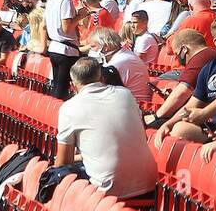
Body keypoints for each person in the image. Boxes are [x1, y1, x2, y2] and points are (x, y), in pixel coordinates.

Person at [55, 57, 157, 199]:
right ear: (102, 77)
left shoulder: (69, 108)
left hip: (107, 191)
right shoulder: (125, 94)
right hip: (149, 181)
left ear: (73, 85)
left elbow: (64, 163)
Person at [154, 16, 216, 143]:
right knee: (177, 126)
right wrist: (168, 123)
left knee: (181, 129)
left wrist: (205, 113)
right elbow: (192, 104)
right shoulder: (208, 69)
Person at [45, 0, 89, 100]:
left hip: (54, 47)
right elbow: (67, 28)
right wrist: (80, 16)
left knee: (57, 87)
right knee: (61, 91)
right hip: (65, 51)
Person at [91, 28, 151, 108]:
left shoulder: (119, 62)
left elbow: (101, 90)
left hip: (134, 106)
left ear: (106, 47)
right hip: (126, 102)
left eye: (93, 46)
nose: (91, 50)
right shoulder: (121, 55)